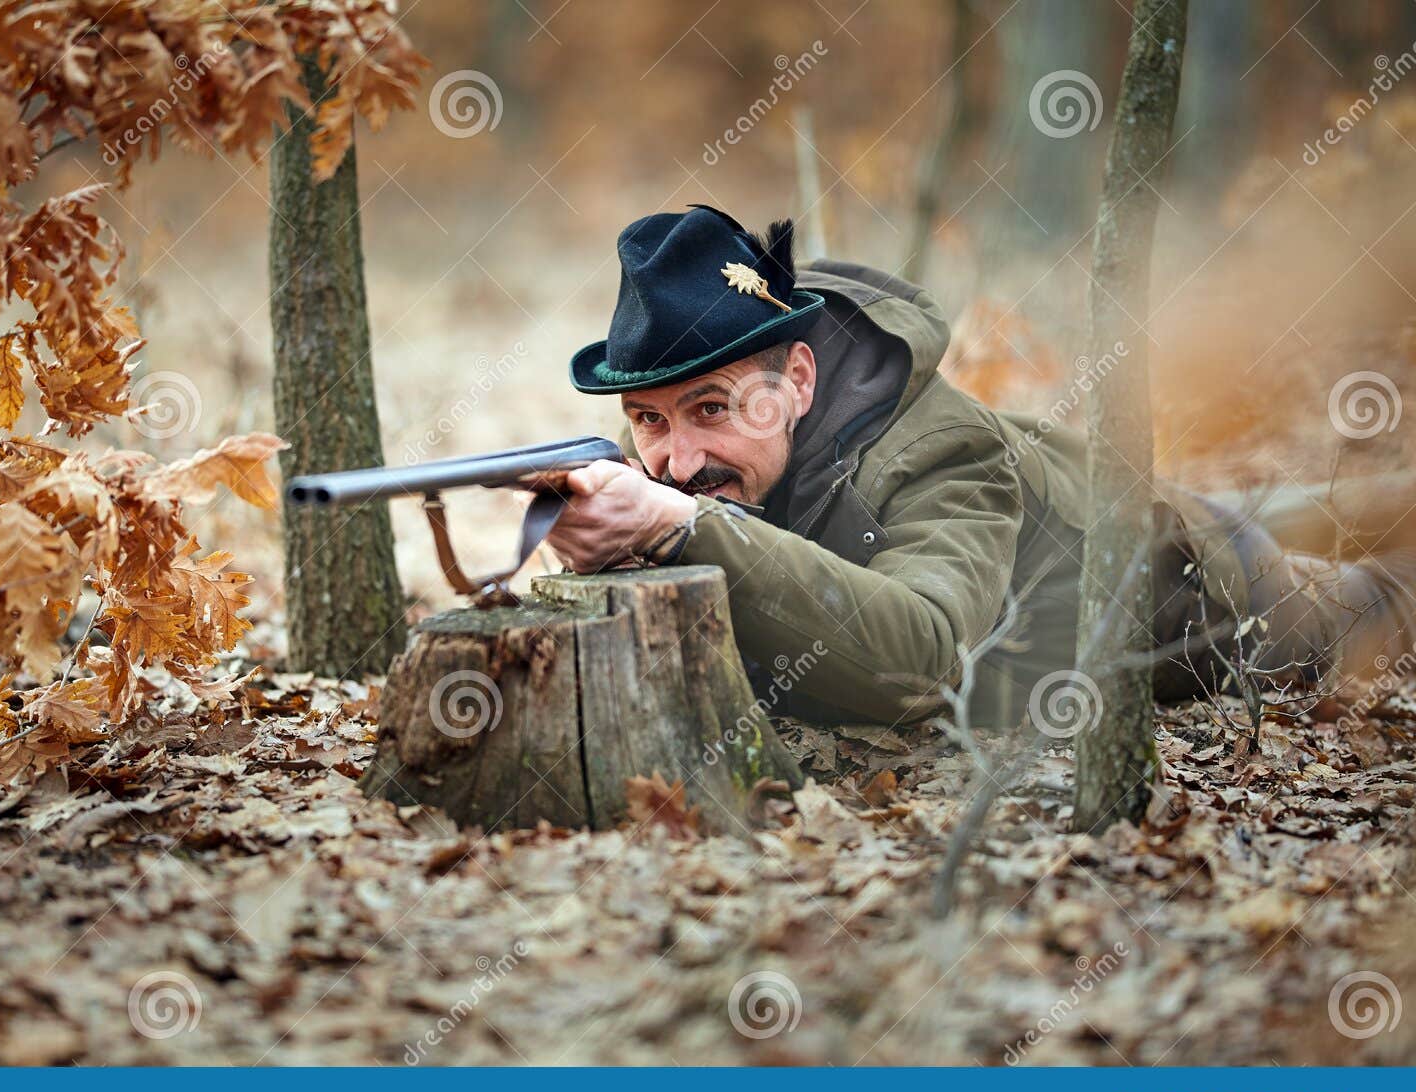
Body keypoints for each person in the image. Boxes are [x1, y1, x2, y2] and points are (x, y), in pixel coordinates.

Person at [543, 204, 1416, 727]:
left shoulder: (941, 453)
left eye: (711, 409)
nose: (674, 459)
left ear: (797, 380)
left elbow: (923, 657)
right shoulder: (685, 453)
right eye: (647, 419)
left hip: (1206, 582)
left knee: (1385, 594)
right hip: (1077, 489)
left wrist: (683, 527)